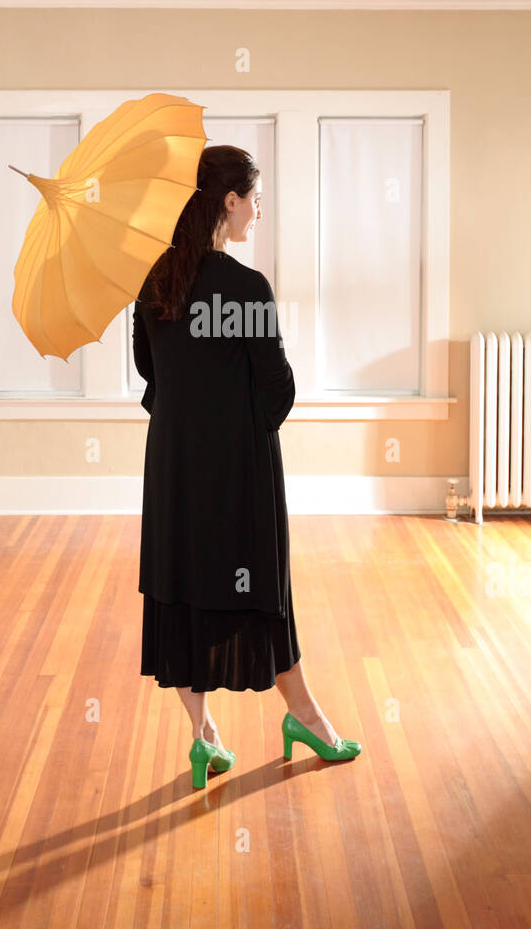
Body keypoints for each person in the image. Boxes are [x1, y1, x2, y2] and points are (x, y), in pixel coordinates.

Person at [133, 144, 362, 788]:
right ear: (229, 201)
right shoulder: (246, 287)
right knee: (260, 590)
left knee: (180, 586)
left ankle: (204, 737)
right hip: (237, 475)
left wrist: (191, 416)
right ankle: (309, 720)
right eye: (255, 199)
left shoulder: (154, 283)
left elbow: (151, 372)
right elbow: (277, 387)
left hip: (174, 470)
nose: (259, 212)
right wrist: (239, 426)